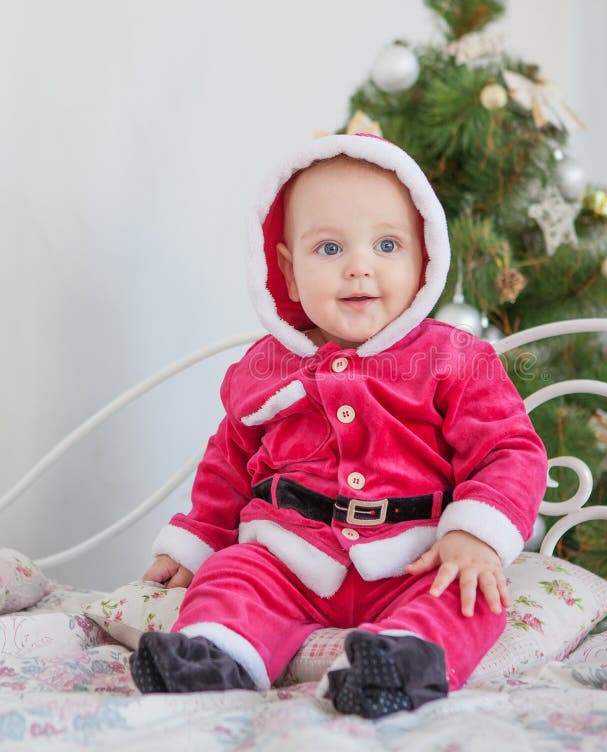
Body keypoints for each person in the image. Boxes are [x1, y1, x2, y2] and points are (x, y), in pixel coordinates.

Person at [130, 133, 548, 717]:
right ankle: (216, 656)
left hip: (413, 556)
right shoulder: (264, 366)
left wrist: (473, 536)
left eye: (386, 244)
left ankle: (399, 663)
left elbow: (509, 449)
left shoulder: (454, 359)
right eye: (329, 249)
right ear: (288, 271)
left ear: (424, 257)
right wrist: (198, 542)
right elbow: (227, 463)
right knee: (234, 575)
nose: (358, 267)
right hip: (289, 552)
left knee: (469, 593)